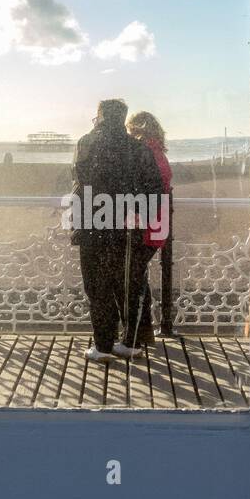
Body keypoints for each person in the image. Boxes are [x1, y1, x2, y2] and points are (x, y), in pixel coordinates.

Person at [70, 98, 163, 363]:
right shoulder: (139, 149)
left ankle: (102, 346)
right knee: (128, 285)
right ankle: (130, 343)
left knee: (97, 287)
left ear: (99, 117)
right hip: (127, 229)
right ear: (122, 118)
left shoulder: (87, 142)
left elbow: (80, 180)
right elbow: (155, 189)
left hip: (95, 225)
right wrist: (138, 216)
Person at [121, 111, 171, 354]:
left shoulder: (143, 152)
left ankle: (135, 337)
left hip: (146, 225)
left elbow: (142, 189)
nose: (128, 135)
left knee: (132, 279)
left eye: (130, 130)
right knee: (137, 276)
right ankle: (143, 333)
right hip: (158, 224)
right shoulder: (158, 151)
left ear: (138, 130)